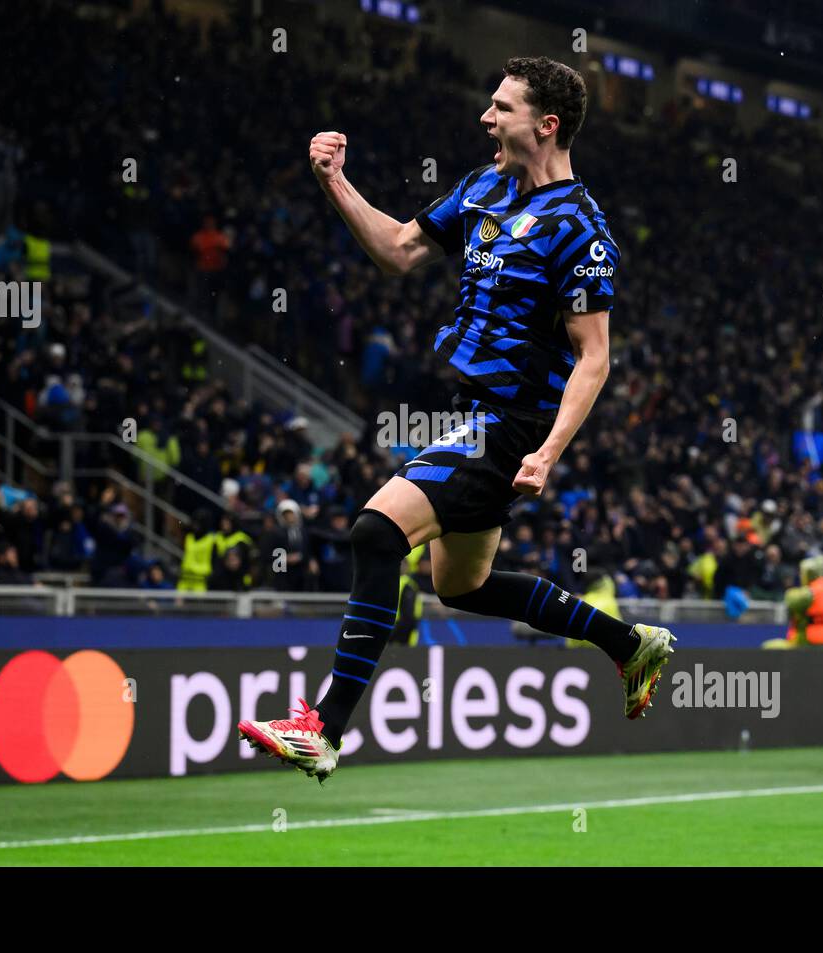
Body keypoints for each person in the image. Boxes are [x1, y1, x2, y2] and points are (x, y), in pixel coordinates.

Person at [239, 56, 676, 782]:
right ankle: (627, 644)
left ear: (547, 124)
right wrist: (335, 182)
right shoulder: (482, 187)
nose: (485, 117)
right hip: (472, 414)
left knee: (377, 533)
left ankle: (323, 727)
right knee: (462, 587)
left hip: (511, 427)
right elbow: (398, 250)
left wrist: (549, 452)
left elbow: (594, 357)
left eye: (501, 107)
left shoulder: (581, 229)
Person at [763, 556, 823, 649]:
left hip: (808, 642)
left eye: (801, 573)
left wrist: (789, 594)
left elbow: (795, 599)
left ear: (809, 573)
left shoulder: (813, 590)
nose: (800, 575)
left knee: (768, 647)